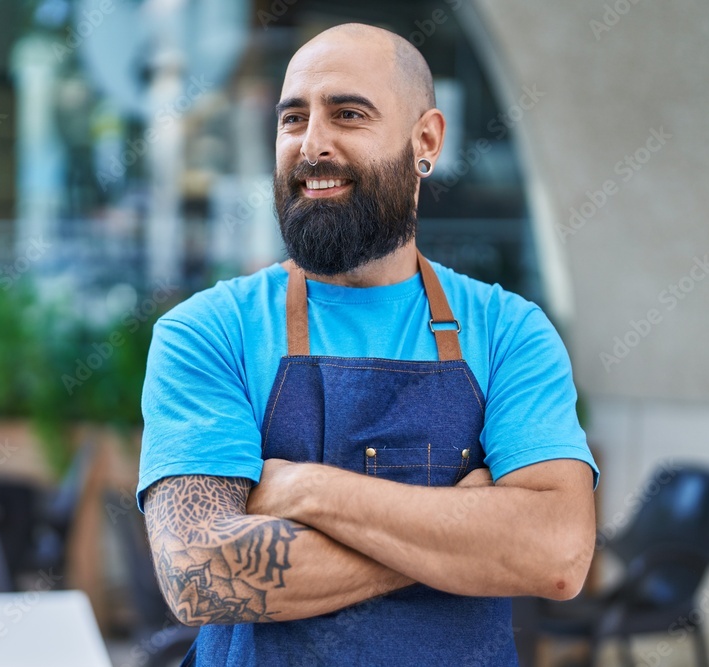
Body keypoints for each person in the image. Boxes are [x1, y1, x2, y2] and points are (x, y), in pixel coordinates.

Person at [136, 22, 598, 666]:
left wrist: (307, 491)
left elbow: (556, 556)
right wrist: (469, 531)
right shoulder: (207, 332)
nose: (312, 144)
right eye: (292, 118)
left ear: (426, 140)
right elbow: (199, 574)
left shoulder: (509, 331)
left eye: (348, 114)